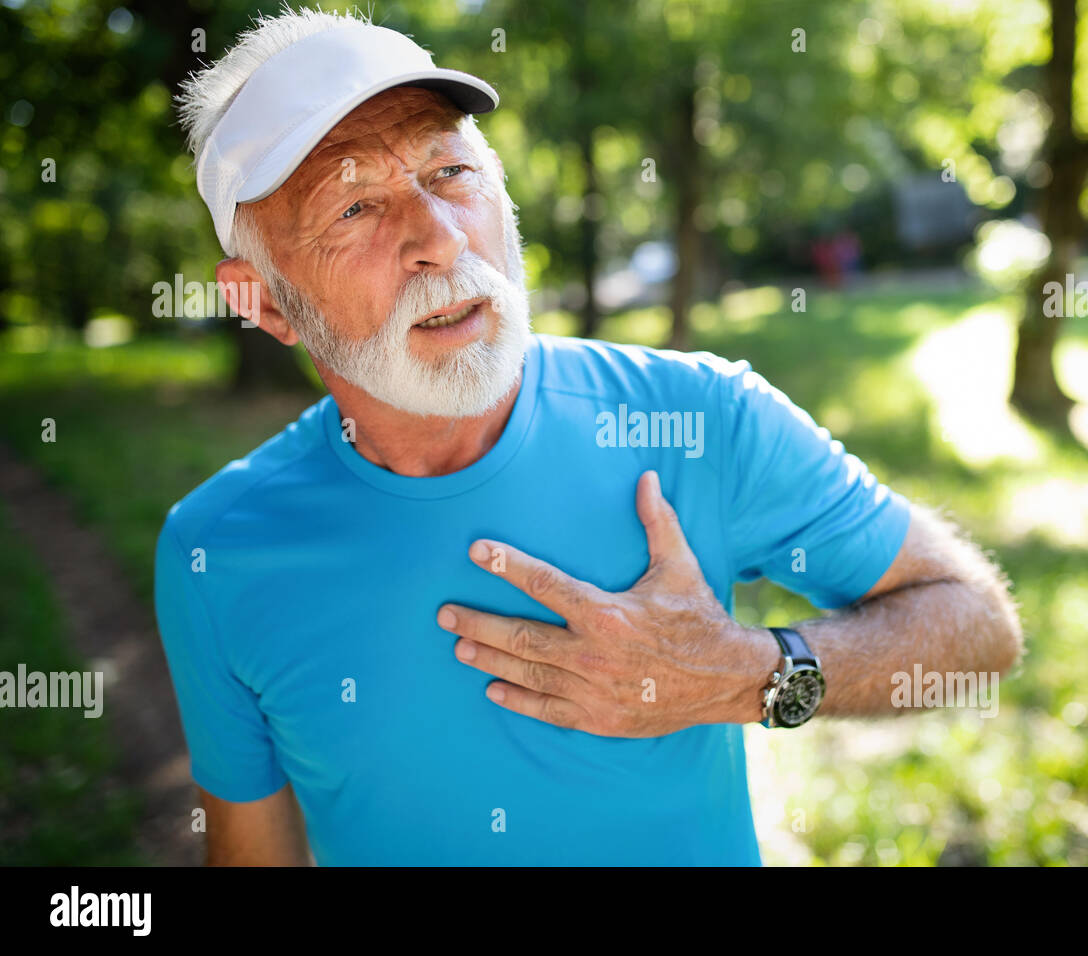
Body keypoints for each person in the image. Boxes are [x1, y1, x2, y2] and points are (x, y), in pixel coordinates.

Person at [155, 7, 1022, 866]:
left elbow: (978, 626)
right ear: (263, 302)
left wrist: (744, 671)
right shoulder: (214, 551)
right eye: (353, 209)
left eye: (450, 170)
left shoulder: (699, 416)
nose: (440, 236)